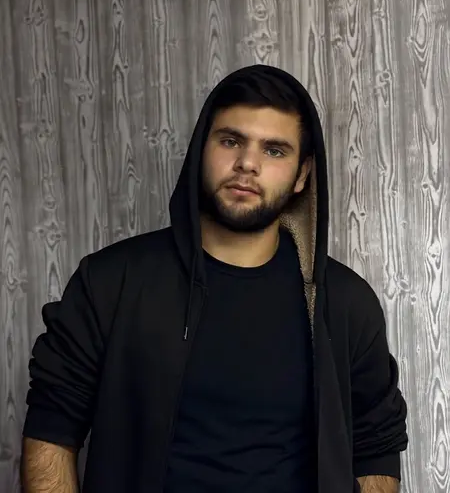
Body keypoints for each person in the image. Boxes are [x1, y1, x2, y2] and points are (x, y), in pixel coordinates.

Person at [21, 65, 408, 493]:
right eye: (230, 141)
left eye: (274, 150)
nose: (247, 163)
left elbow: (376, 447)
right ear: (201, 150)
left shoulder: (345, 303)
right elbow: (51, 430)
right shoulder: (110, 282)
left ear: (302, 175)